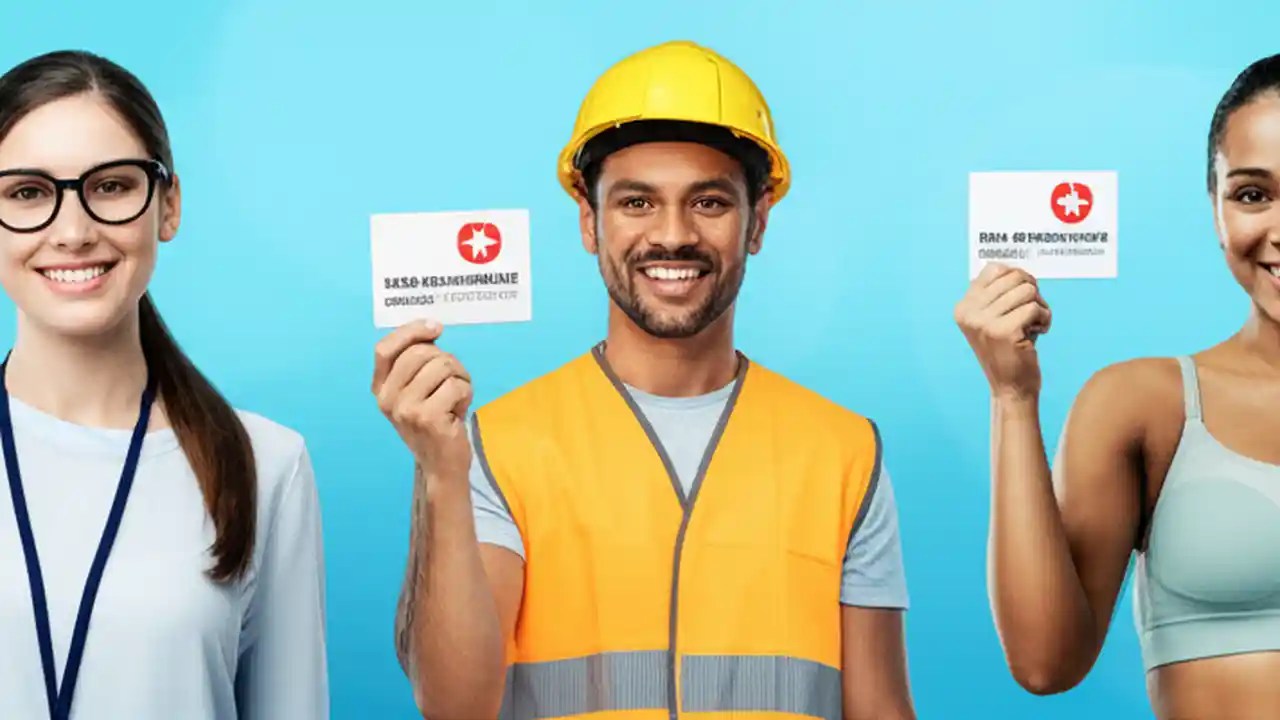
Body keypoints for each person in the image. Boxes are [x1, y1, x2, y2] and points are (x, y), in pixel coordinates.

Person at [375, 40, 914, 720]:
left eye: (710, 203)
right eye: (636, 203)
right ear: (588, 221)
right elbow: (456, 706)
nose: (672, 235)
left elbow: (881, 707)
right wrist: (439, 475)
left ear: (759, 222)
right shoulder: (495, 445)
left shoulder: (846, 451)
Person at [0, 51, 328, 719]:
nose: (72, 231)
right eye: (27, 193)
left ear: (167, 206)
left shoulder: (267, 465)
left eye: (112, 186)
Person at [955, 53, 1280, 720]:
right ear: (1215, 209)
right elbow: (1046, 662)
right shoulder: (1145, 406)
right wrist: (1011, 398)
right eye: (1253, 194)